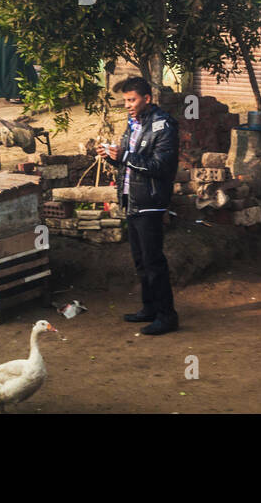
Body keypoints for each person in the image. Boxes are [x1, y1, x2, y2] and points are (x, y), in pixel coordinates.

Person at [101, 76, 179, 335]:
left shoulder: (164, 126)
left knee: (154, 262)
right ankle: (149, 309)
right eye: (125, 100)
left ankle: (167, 317)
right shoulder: (133, 124)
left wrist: (123, 155)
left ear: (147, 99)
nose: (127, 105)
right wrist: (113, 157)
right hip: (132, 200)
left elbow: (160, 167)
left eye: (132, 100)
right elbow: (131, 163)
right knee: (140, 261)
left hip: (151, 202)